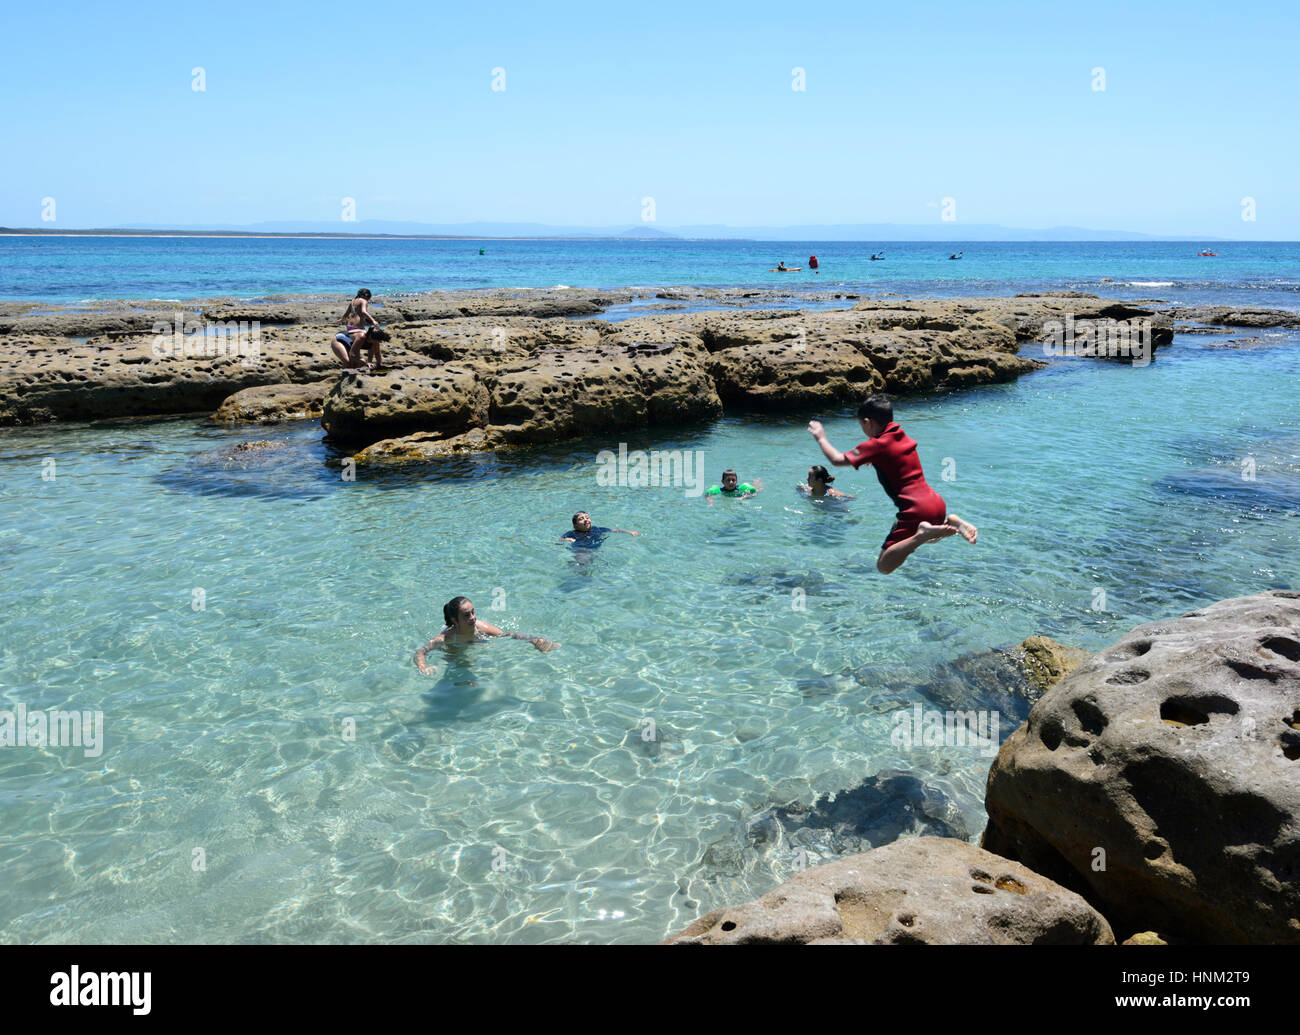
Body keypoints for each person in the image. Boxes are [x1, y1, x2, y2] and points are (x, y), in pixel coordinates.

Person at [808, 394, 977, 573]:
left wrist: (821, 437)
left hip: (915, 510)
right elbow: (892, 460)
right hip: (936, 504)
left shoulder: (876, 444)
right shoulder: (901, 436)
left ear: (868, 422)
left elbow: (836, 459)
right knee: (928, 536)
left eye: (861, 426)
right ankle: (951, 521)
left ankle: (922, 534)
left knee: (884, 566)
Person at [414, 596, 559, 674]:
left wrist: (534, 640)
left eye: (473, 612)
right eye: (466, 615)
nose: (473, 617)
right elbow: (421, 652)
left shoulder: (480, 627)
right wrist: (423, 667)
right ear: (454, 620)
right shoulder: (446, 638)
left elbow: (508, 635)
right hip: (454, 657)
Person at [560, 511, 640, 546]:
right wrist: (568, 540)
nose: (585, 520)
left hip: (596, 549)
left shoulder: (596, 529)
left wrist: (629, 532)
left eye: (587, 518)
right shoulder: (572, 533)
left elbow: (614, 530)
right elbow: (560, 539)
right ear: (575, 525)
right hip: (582, 550)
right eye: (581, 519)